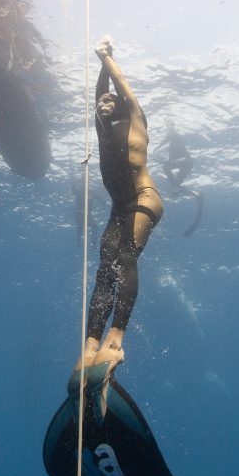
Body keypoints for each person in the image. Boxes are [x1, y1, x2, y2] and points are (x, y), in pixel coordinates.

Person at [78, 36, 163, 373]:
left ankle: (116, 338)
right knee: (104, 269)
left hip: (144, 200)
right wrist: (100, 73)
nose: (104, 102)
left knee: (125, 256)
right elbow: (97, 97)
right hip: (119, 208)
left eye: (109, 100)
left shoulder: (136, 120)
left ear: (121, 105)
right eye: (100, 102)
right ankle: (91, 344)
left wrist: (107, 59)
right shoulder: (103, 133)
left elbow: (122, 87)